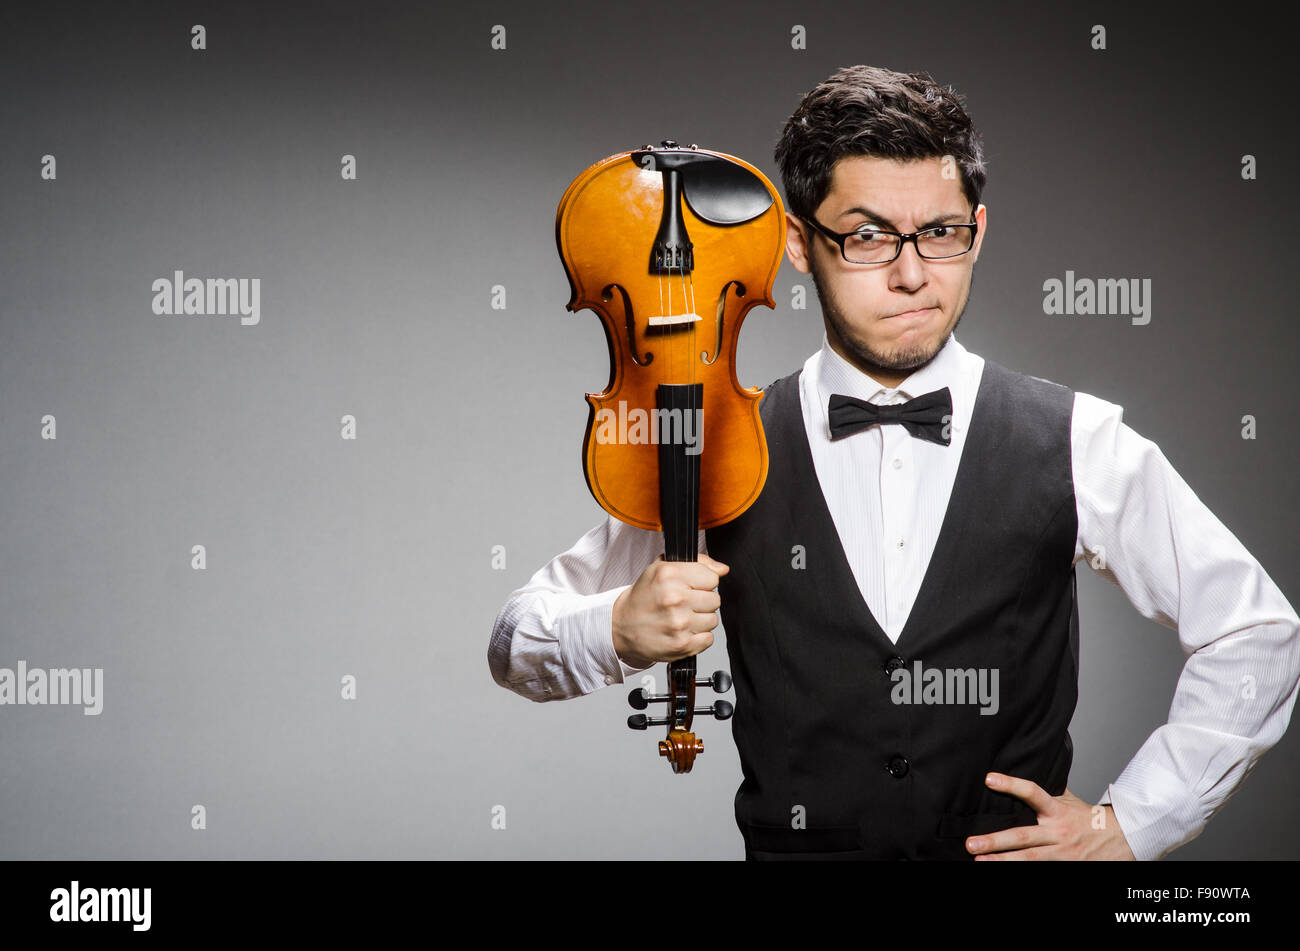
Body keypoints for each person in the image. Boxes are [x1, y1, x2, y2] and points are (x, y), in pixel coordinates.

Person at [488, 65, 1300, 861]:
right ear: (800, 246)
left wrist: (1130, 824)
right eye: (869, 235)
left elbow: (1257, 631)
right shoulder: (723, 442)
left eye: (940, 233)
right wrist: (617, 628)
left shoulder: (1077, 436)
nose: (914, 274)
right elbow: (515, 640)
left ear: (976, 232)